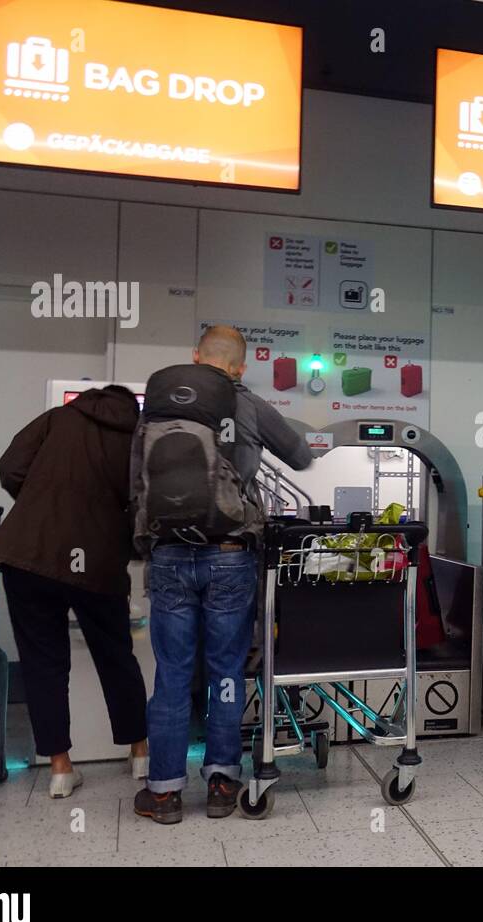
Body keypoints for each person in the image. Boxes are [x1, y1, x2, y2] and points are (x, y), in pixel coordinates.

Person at [133, 326, 313, 824]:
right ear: (240, 366)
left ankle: (164, 792)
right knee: (227, 673)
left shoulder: (160, 406)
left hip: (168, 553)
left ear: (194, 357)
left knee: (171, 673)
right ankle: (221, 782)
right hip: (232, 553)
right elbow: (301, 456)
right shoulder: (246, 402)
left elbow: (135, 480)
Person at [0, 385, 148, 798]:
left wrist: (44, 503)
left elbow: (10, 466)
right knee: (116, 656)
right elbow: (141, 501)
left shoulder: (58, 418)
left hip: (28, 554)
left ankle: (60, 768)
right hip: (96, 560)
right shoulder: (136, 437)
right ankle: (140, 752)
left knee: (43, 663)